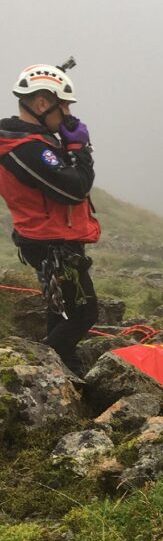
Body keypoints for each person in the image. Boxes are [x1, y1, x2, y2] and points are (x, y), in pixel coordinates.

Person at [0, 64, 99, 375]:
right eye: (64, 104)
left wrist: (71, 149)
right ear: (42, 103)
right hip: (50, 246)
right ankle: (36, 370)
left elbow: (67, 179)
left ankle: (68, 370)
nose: (68, 113)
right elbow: (74, 190)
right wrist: (80, 149)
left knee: (64, 310)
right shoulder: (25, 148)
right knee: (84, 313)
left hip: (56, 240)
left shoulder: (37, 140)